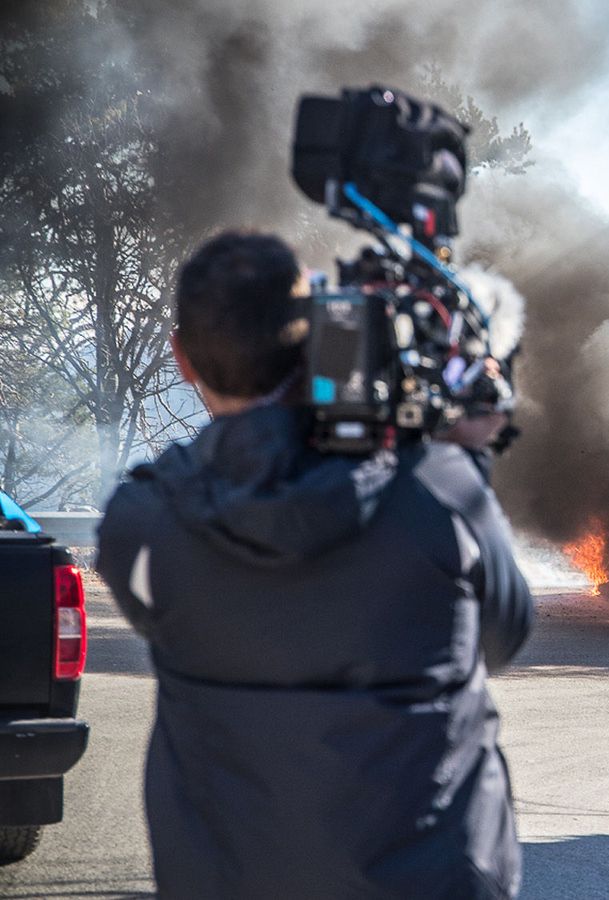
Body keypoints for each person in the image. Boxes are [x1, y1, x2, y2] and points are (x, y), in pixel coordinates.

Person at [96, 231, 532, 899]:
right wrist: (462, 457)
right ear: (311, 345)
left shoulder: (141, 521)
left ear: (182, 358)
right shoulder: (438, 489)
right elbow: (502, 638)